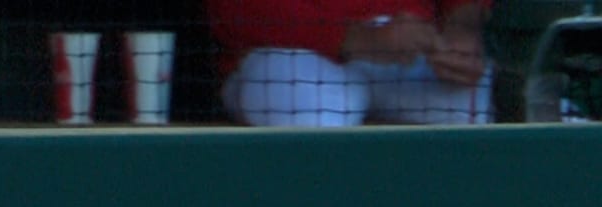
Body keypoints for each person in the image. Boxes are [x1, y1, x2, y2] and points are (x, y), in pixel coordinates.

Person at [207, 0, 494, 127]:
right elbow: (235, 10)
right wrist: (359, 38)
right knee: (307, 112)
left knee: (464, 106)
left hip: (411, 45)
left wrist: (462, 29)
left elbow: (464, 9)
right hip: (292, 50)